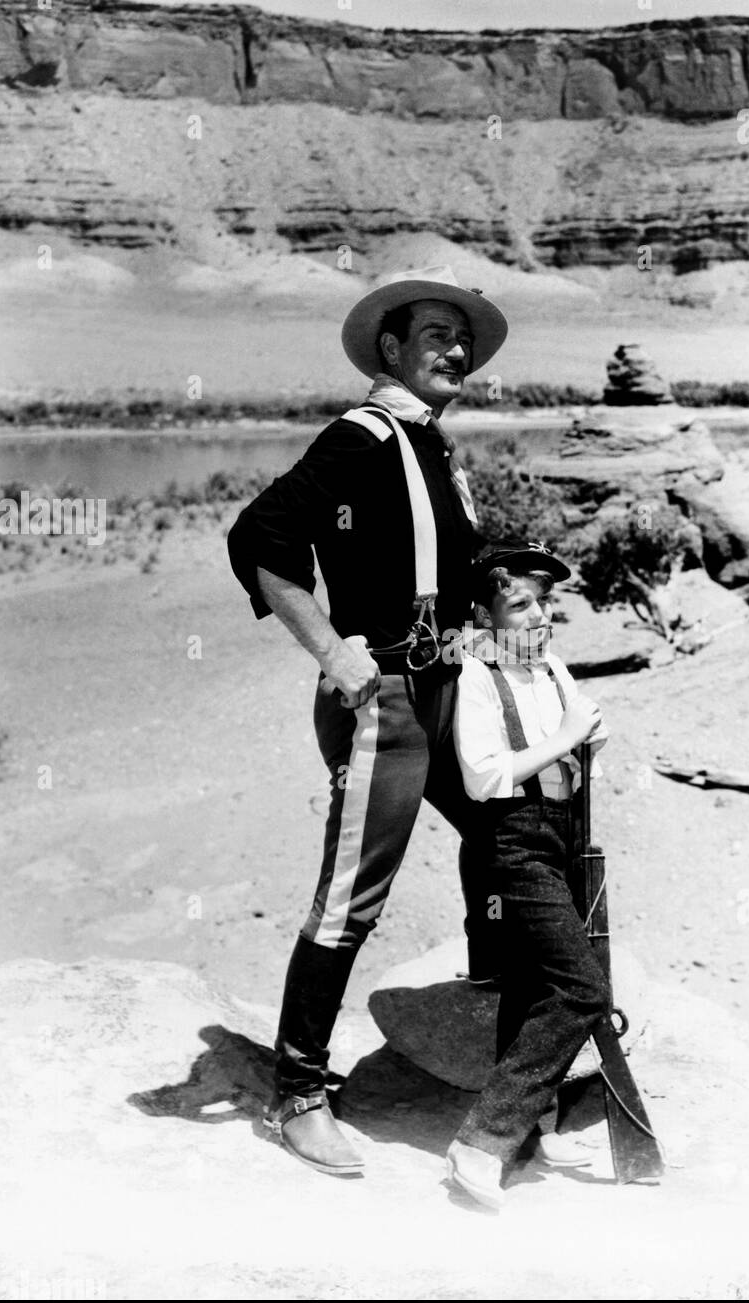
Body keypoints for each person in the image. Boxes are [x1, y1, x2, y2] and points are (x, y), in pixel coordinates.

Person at [227, 266, 507, 1177]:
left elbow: (461, 579)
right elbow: (261, 537)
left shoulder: (432, 448)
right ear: (391, 348)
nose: (454, 350)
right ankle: (298, 1094)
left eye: (461, 337)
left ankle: (482, 1016)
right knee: (354, 897)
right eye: (435, 332)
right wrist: (333, 651)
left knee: (511, 831)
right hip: (382, 699)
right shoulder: (363, 436)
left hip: (443, 691)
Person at [447, 540, 612, 1209]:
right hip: (515, 845)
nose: (539, 615)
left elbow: (574, 737)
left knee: (533, 989)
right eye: (520, 604)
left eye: (544, 601)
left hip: (564, 834)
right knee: (581, 989)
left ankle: (528, 1137)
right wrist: (569, 735)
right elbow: (483, 776)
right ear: (485, 618)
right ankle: (482, 1141)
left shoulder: (551, 667)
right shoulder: (479, 677)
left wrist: (589, 737)